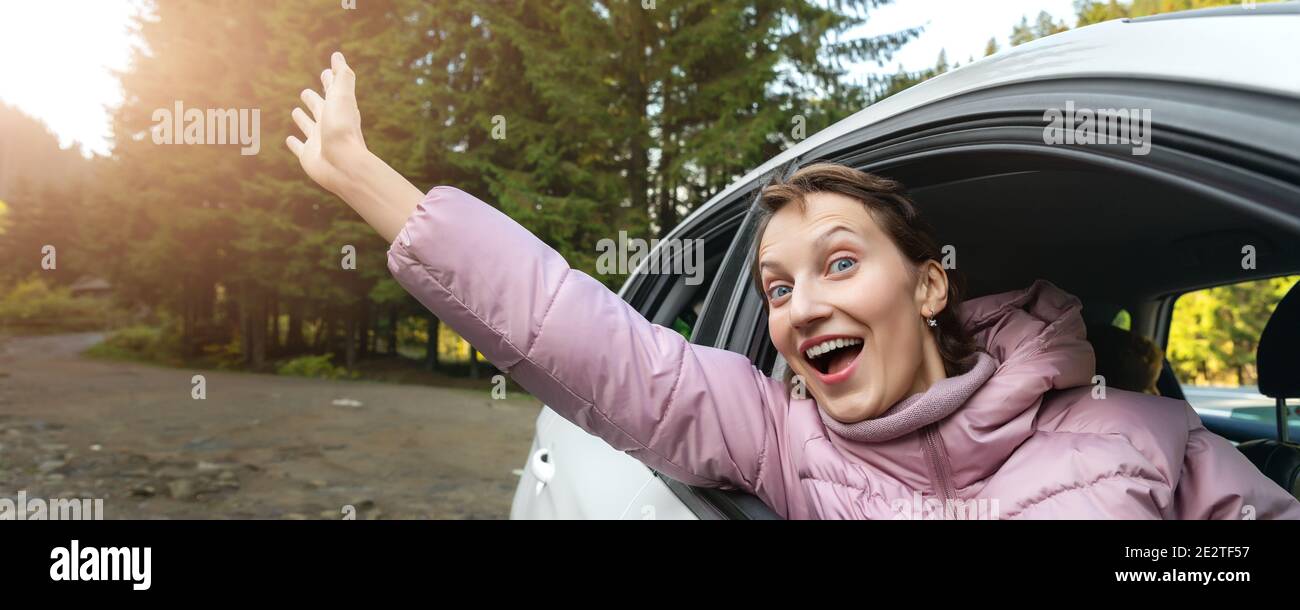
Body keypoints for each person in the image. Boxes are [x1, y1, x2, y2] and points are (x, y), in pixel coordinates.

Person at [285, 52, 1300, 519]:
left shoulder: (1143, 435)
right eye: (773, 287)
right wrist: (368, 180)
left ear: (932, 286)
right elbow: (577, 331)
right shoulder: (776, 436)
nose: (799, 306)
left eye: (840, 264)